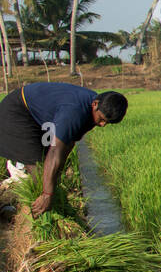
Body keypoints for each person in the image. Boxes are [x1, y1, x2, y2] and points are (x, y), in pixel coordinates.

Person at [0, 83, 128, 217]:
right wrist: (47, 194)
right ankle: (39, 212)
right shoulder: (74, 111)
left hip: (39, 118)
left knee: (47, 168)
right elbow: (55, 152)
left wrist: (56, 177)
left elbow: (68, 143)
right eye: (102, 119)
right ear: (95, 104)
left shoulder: (92, 111)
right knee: (38, 166)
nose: (102, 125)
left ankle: (47, 206)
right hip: (17, 111)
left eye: (107, 123)